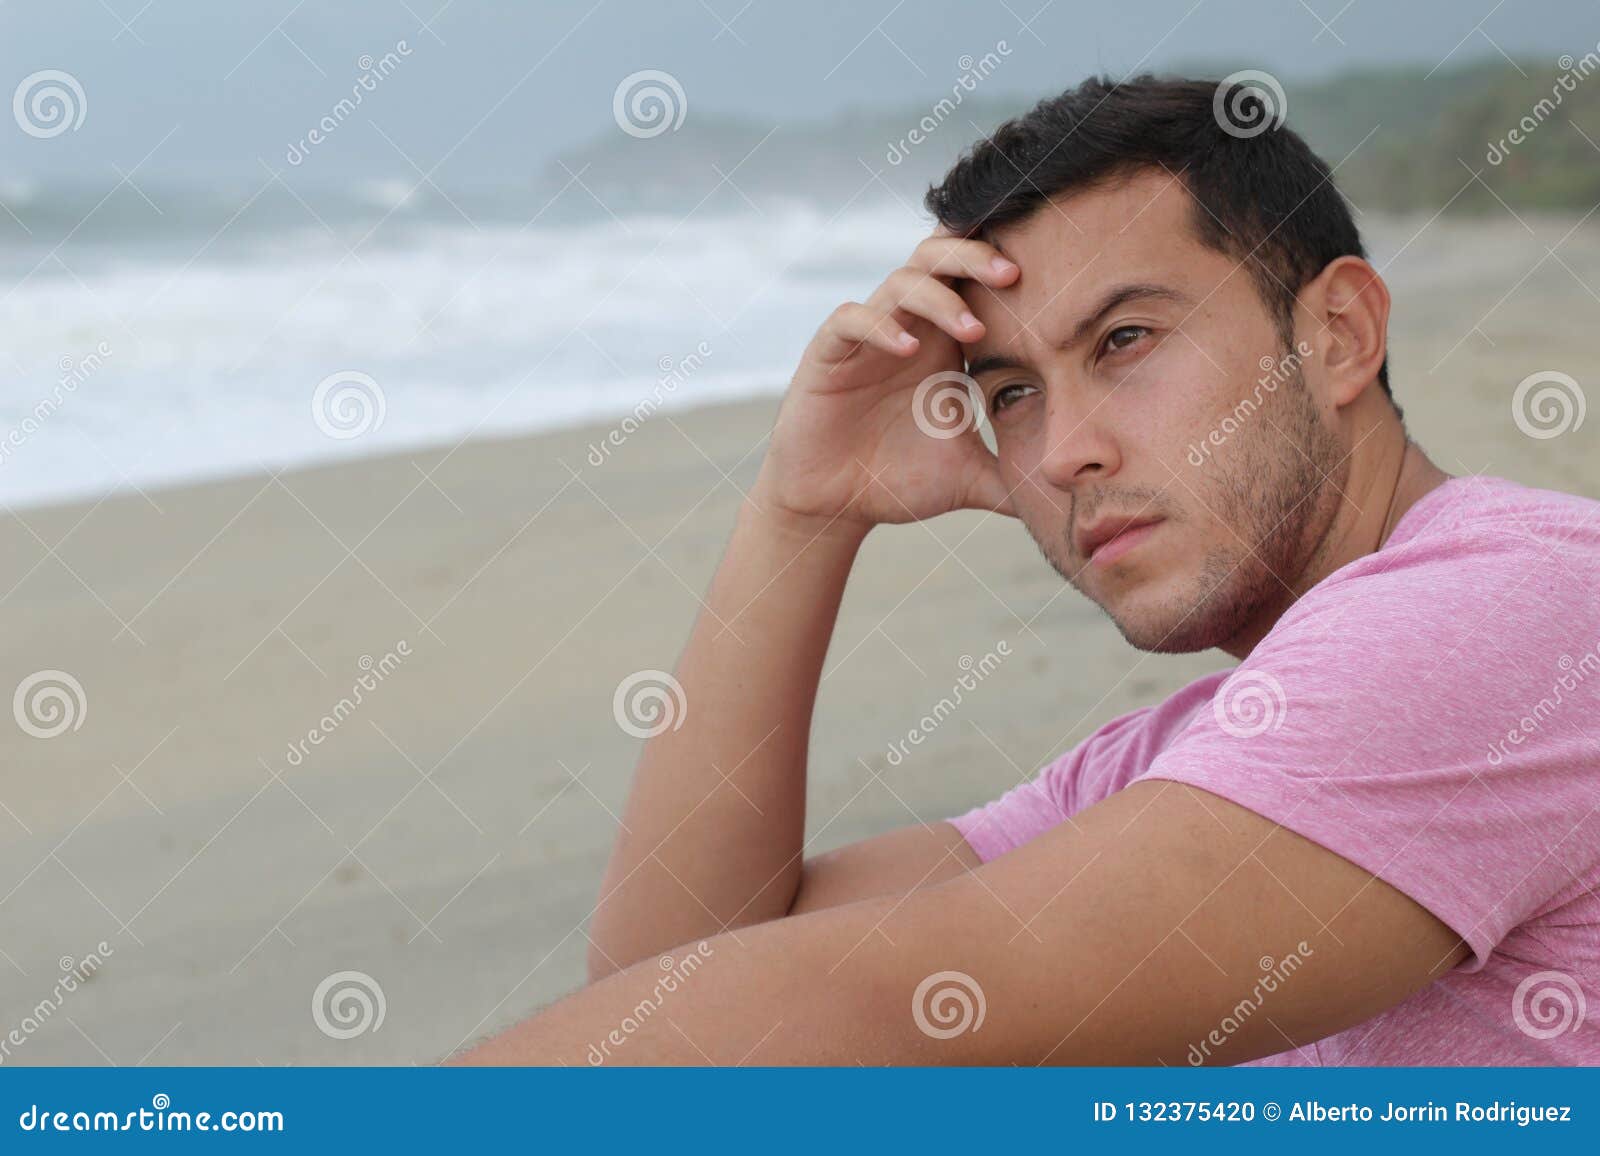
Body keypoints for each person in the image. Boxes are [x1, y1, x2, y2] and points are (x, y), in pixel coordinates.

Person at [453, 75, 1600, 1065]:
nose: (1062, 452)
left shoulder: (1507, 608)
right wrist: (800, 512)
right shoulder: (1175, 759)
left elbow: (858, 1014)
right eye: (1010, 391)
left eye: (1124, 342)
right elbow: (671, 977)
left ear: (1340, 332)